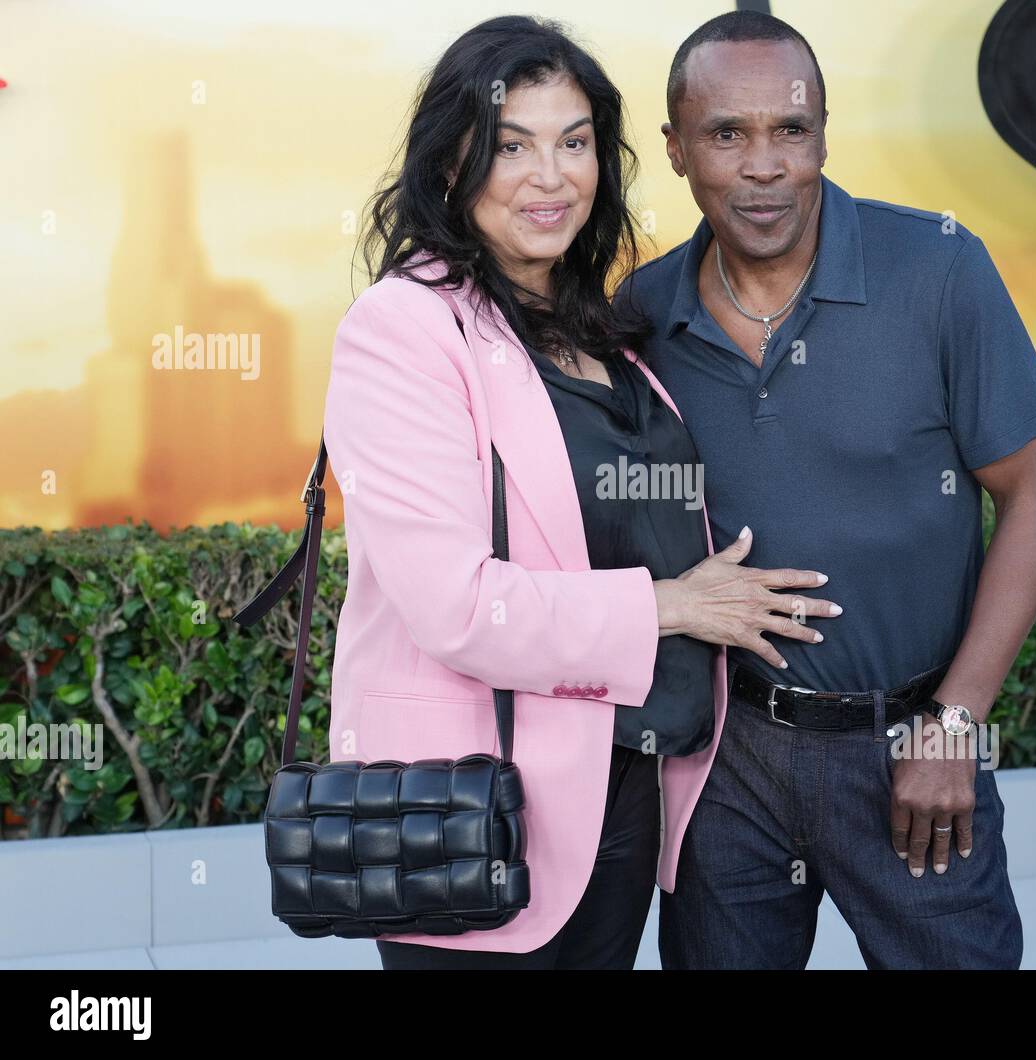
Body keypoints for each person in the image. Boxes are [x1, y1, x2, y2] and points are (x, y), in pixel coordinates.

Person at [323, 14, 841, 970]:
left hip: (623, 783)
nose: (550, 175)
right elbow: (455, 603)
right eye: (511, 145)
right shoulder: (403, 329)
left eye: (574, 142)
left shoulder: (593, 322)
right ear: (450, 162)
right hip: (477, 806)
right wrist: (674, 607)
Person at [618, 11, 1036, 969]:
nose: (764, 165)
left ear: (823, 132)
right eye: (726, 134)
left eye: (790, 129)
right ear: (675, 149)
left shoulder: (940, 269)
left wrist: (955, 726)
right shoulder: (641, 315)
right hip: (726, 757)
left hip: (914, 746)